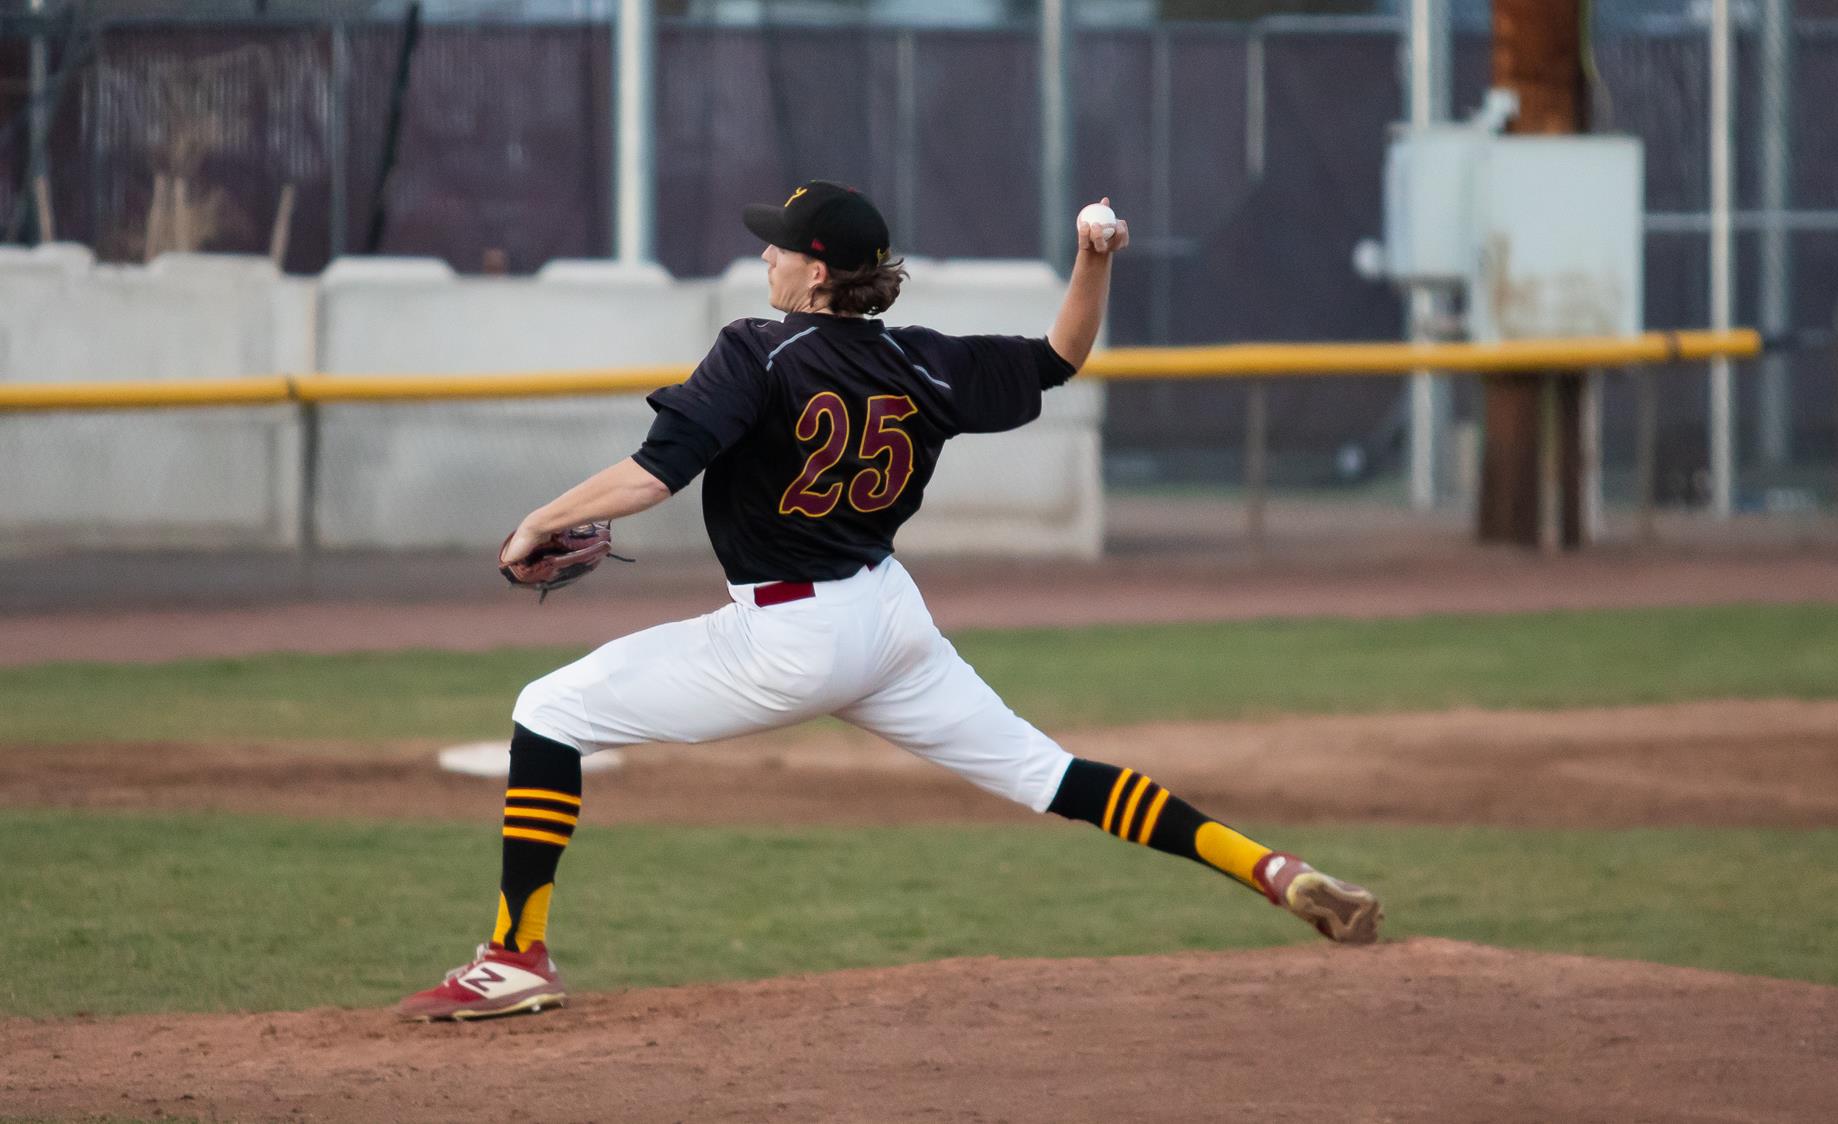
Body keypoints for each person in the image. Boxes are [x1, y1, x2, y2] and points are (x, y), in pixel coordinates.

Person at [398, 181, 1381, 1022]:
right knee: (1048, 771)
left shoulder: (757, 348)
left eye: (781, 246)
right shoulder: (922, 359)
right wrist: (1094, 257)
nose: (768, 256)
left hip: (790, 636)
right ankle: (1268, 867)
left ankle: (514, 957)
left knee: (549, 710)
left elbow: (656, 473)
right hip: (890, 620)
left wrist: (537, 519)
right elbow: (1061, 356)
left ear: (818, 270)